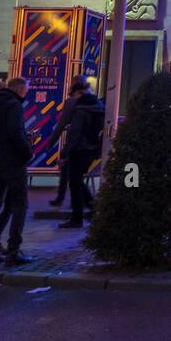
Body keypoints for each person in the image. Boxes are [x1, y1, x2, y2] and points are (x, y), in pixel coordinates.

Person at [0, 78, 33, 266]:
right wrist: (27, 151)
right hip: (12, 162)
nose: (26, 94)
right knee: (20, 205)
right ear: (19, 89)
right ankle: (13, 250)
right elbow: (15, 132)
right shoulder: (14, 105)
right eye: (25, 90)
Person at [56, 78, 105, 229]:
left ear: (78, 93)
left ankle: (78, 217)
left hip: (79, 149)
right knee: (76, 180)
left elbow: (75, 133)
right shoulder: (97, 105)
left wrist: (64, 152)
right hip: (91, 148)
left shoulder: (80, 109)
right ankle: (91, 207)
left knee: (74, 182)